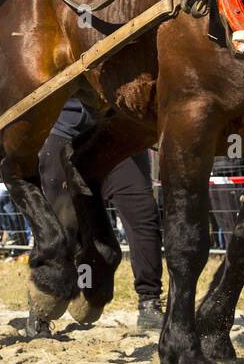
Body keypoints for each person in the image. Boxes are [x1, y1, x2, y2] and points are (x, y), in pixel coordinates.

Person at [39, 98, 166, 329]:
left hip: (121, 134)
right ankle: (41, 311)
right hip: (67, 132)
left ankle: (149, 302)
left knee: (144, 215)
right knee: (61, 225)